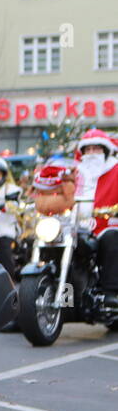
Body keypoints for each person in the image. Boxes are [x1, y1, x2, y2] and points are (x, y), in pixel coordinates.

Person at [74, 130, 118, 307]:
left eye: (97, 149)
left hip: (107, 224)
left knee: (111, 238)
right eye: (88, 149)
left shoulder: (115, 169)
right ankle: (33, 299)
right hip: (75, 226)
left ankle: (111, 292)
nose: (92, 154)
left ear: (106, 151)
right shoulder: (74, 173)